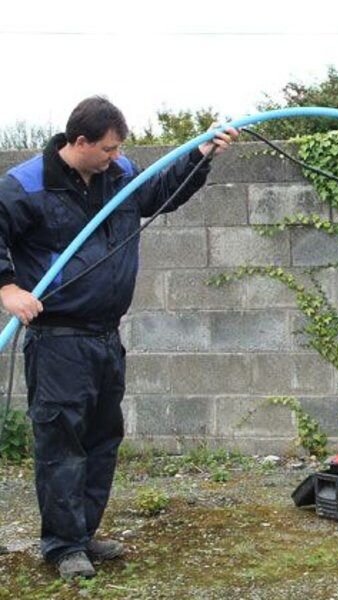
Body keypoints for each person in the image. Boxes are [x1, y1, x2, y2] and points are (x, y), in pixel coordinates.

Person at [0, 96, 238, 579]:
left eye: (119, 148)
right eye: (107, 149)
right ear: (80, 142)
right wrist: (7, 287)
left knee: (103, 438)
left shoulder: (120, 175)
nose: (116, 156)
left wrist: (201, 155)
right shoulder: (26, 186)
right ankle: (63, 546)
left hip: (106, 336)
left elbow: (162, 193)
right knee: (62, 442)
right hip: (58, 337)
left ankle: (84, 533)